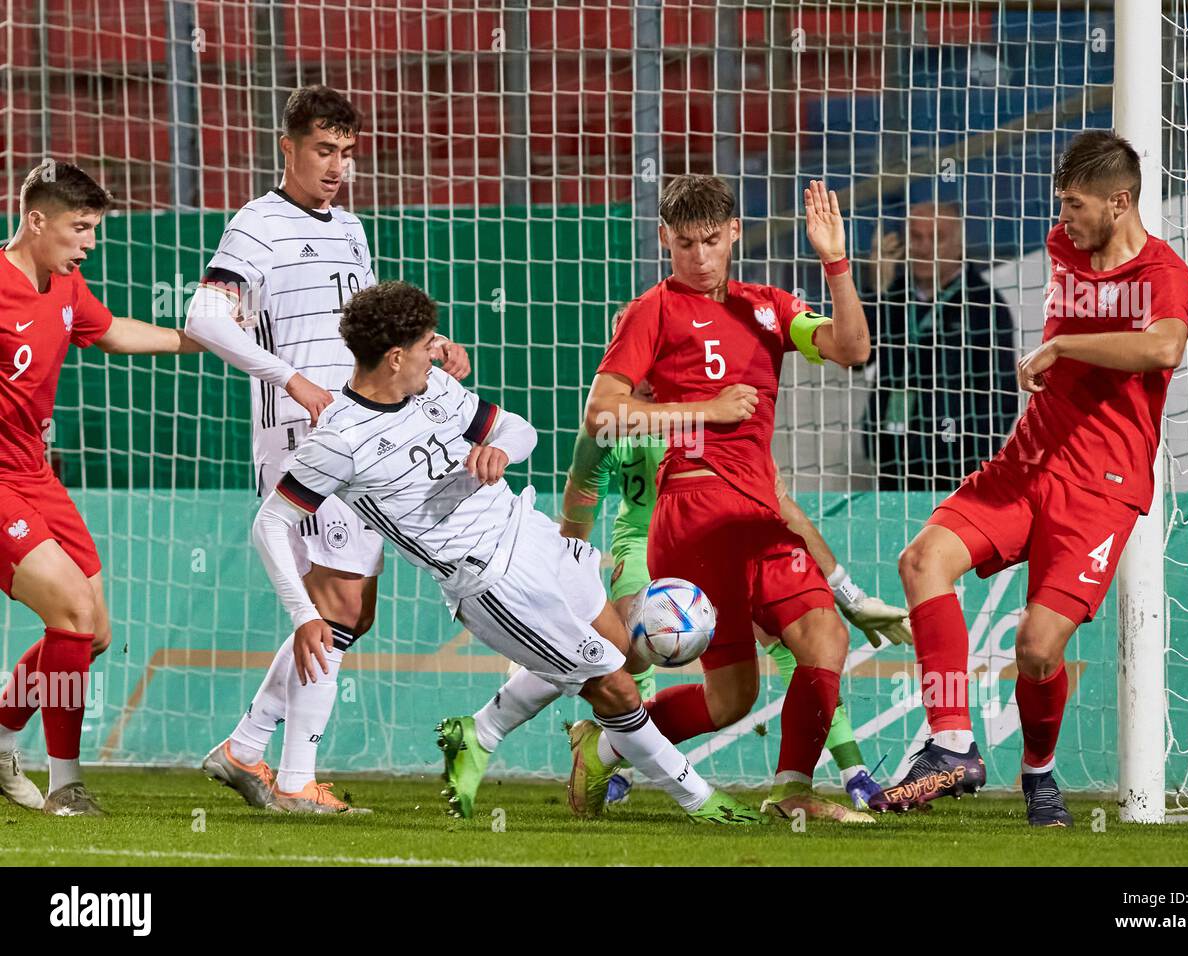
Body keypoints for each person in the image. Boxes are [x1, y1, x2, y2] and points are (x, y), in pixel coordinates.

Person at [252, 280, 763, 824]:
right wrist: (305, 613)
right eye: (428, 342)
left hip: (533, 534)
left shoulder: (433, 389)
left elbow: (521, 430)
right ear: (395, 356)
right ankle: (702, 801)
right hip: (492, 582)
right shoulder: (337, 440)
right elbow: (271, 524)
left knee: (630, 654)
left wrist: (500, 450)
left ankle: (480, 732)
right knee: (614, 690)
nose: (440, 350)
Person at [434, 309, 909, 818]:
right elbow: (582, 490)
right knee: (620, 653)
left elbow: (780, 503)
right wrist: (564, 578)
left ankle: (848, 771)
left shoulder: (717, 412)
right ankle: (588, 748)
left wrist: (848, 593)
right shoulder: (616, 417)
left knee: (794, 644)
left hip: (720, 541)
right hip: (642, 539)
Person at [875, 131, 1188, 827]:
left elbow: (1164, 345)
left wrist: (1062, 344)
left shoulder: (1163, 276)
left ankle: (1038, 771)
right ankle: (954, 741)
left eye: (1076, 205)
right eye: (1062, 204)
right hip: (1025, 464)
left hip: (1101, 488)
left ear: (1120, 203)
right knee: (922, 559)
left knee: (1037, 647)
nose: (1064, 218)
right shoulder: (1065, 248)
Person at [186, 86, 469, 814]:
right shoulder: (258, 224)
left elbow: (366, 326)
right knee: (338, 604)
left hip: (356, 429)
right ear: (288, 148)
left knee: (351, 611)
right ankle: (293, 781)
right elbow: (203, 319)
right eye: (323, 150)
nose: (337, 165)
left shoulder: (348, 227)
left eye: (346, 151)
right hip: (302, 434)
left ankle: (245, 747)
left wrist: (425, 350)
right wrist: (293, 380)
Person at [575, 175, 878, 824]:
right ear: (665, 240)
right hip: (690, 517)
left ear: (735, 232)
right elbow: (601, 411)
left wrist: (835, 261)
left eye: (712, 241)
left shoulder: (768, 306)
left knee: (803, 651)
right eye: (685, 244)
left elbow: (854, 349)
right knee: (739, 691)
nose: (700, 258)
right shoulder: (650, 311)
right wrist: (704, 411)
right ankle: (609, 742)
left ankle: (788, 787)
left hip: (759, 515)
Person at [0, 162, 204, 815]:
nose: (89, 242)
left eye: (94, 229)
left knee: (93, 634)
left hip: (35, 472)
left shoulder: (64, 283)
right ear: (36, 221)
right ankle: (66, 783)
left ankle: (2, 733)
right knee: (70, 614)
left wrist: (200, 341)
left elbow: (111, 332)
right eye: (79, 228)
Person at [860, 202, 1018, 490]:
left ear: (958, 245)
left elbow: (1002, 393)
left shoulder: (984, 304)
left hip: (958, 465)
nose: (923, 247)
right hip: (894, 458)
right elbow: (857, 358)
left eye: (936, 238)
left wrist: (973, 454)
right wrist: (875, 291)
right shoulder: (893, 295)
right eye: (916, 237)